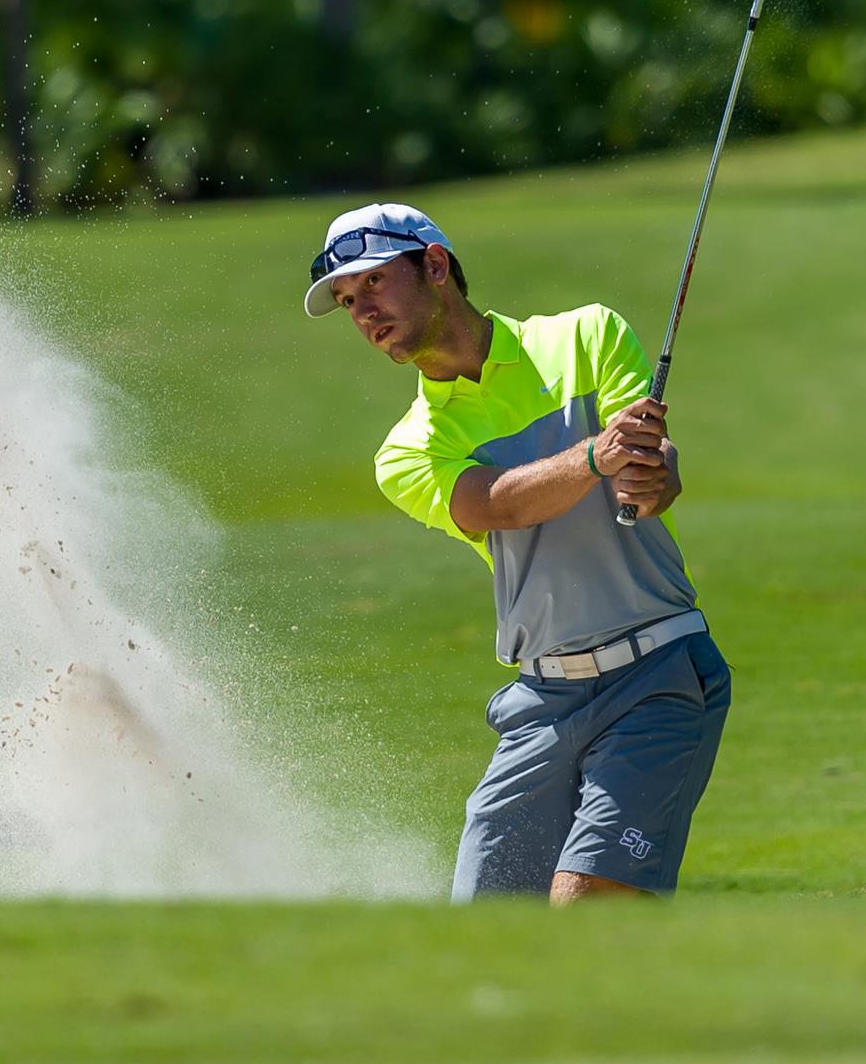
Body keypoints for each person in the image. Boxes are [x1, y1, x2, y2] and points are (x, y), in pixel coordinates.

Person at [304, 202, 732, 905]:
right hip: (544, 701)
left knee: (585, 899)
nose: (363, 312)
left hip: (657, 670)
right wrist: (598, 453)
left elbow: (650, 468)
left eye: (374, 283)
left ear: (434, 265)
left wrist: (651, 474)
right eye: (349, 301)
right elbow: (495, 504)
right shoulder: (408, 447)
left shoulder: (586, 336)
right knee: (491, 928)